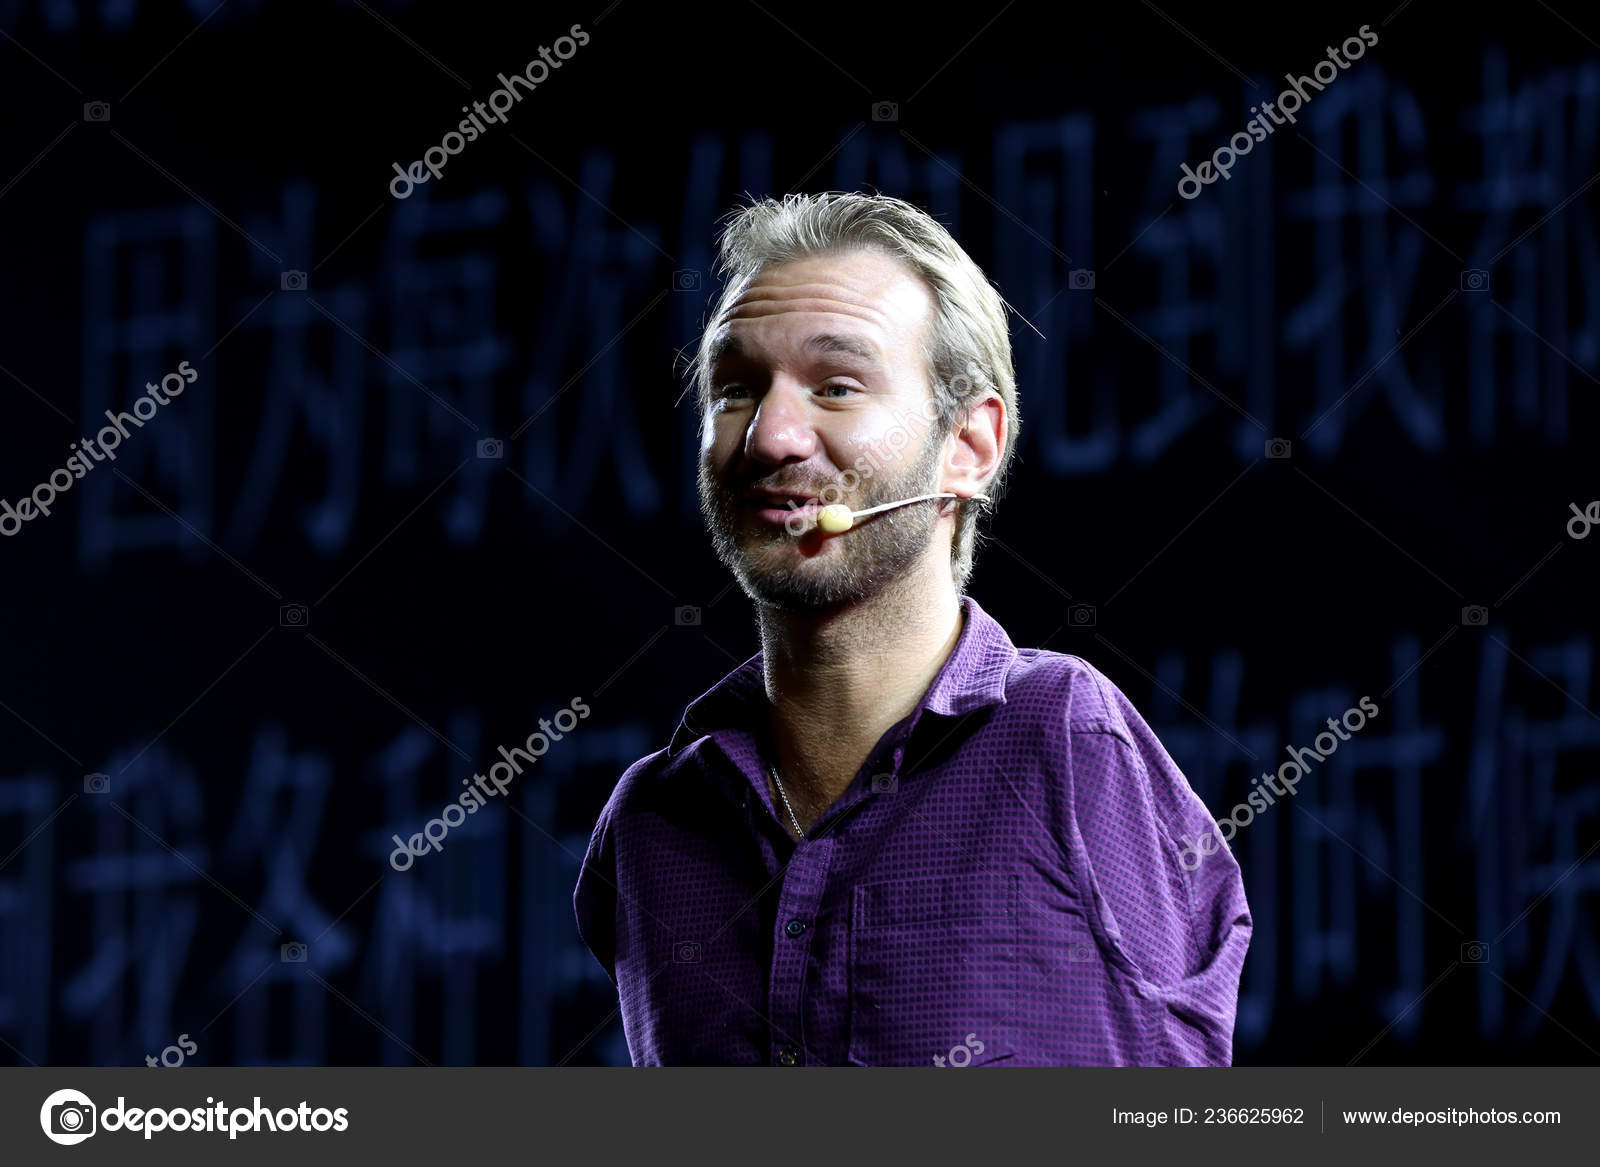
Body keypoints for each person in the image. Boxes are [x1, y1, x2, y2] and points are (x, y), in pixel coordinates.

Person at [573, 191, 1251, 1065]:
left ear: (968, 446)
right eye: (737, 388)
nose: (772, 434)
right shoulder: (653, 822)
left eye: (837, 386)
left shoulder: (1068, 742)